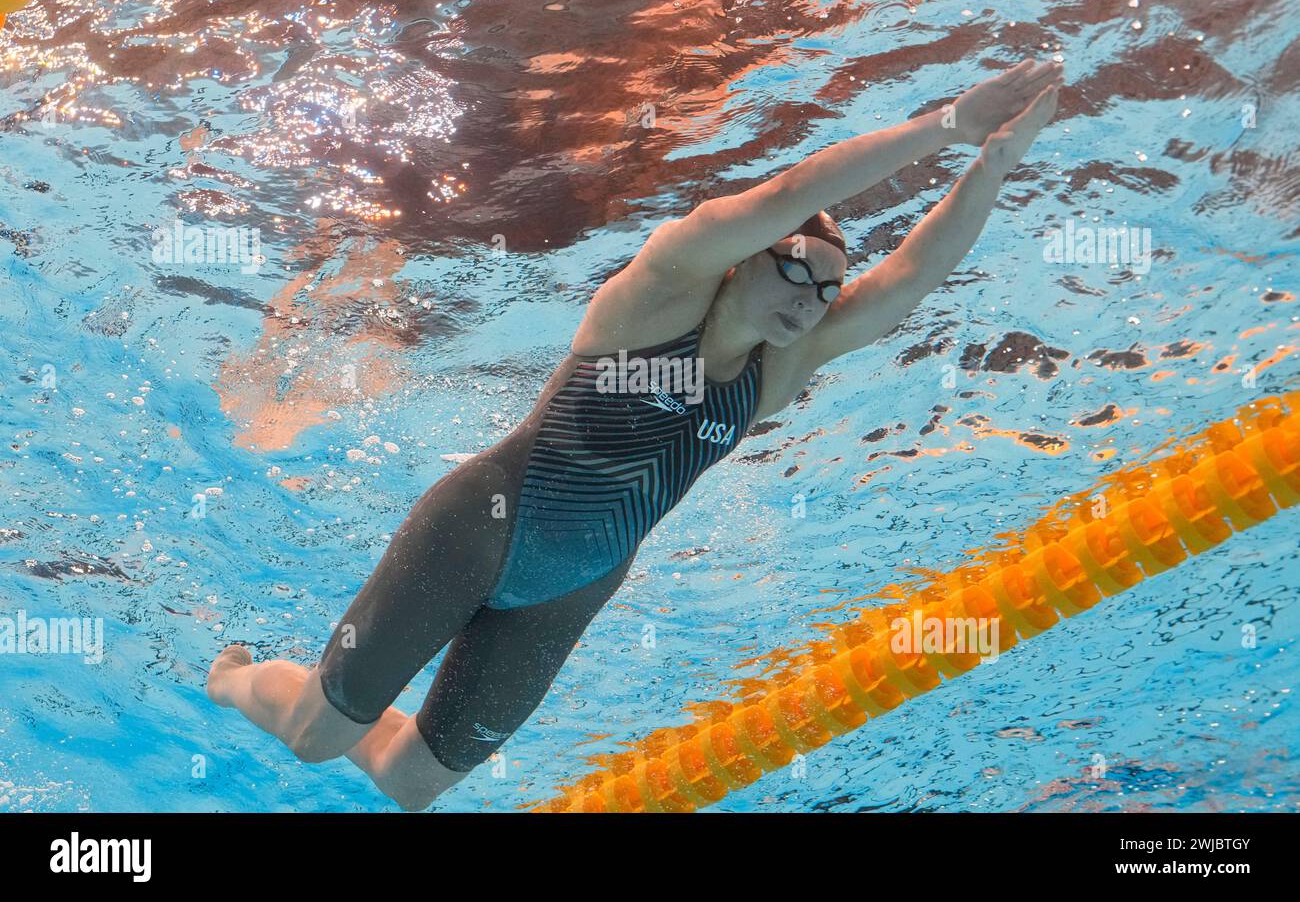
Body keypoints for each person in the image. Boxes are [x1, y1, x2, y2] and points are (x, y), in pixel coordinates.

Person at [207, 58, 1062, 811]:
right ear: (745, 256)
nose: (812, 298)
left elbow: (910, 278)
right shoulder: (657, 296)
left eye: (829, 292)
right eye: (797, 268)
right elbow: (789, 192)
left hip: (574, 585)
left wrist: (994, 165)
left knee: (415, 784)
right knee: (318, 737)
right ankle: (239, 677)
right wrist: (951, 124)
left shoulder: (776, 372)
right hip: (486, 525)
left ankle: (354, 701)